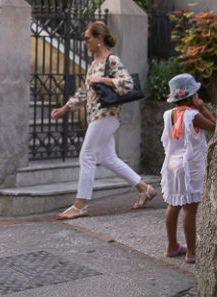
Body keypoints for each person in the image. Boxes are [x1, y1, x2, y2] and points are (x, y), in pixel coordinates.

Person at [51, 21, 157, 219]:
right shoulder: (93, 65)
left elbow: (127, 84)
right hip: (96, 115)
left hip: (107, 114)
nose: (85, 43)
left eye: (87, 38)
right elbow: (84, 92)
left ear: (99, 39)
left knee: (87, 154)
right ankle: (145, 188)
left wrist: (101, 80)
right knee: (107, 158)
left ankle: (81, 204)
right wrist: (65, 108)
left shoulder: (112, 60)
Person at [160, 73, 216, 264]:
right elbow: (216, 127)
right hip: (190, 166)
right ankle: (191, 251)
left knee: (173, 205)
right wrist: (202, 107)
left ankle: (172, 245)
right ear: (192, 96)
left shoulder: (168, 114)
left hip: (172, 164)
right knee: (190, 208)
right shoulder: (194, 115)